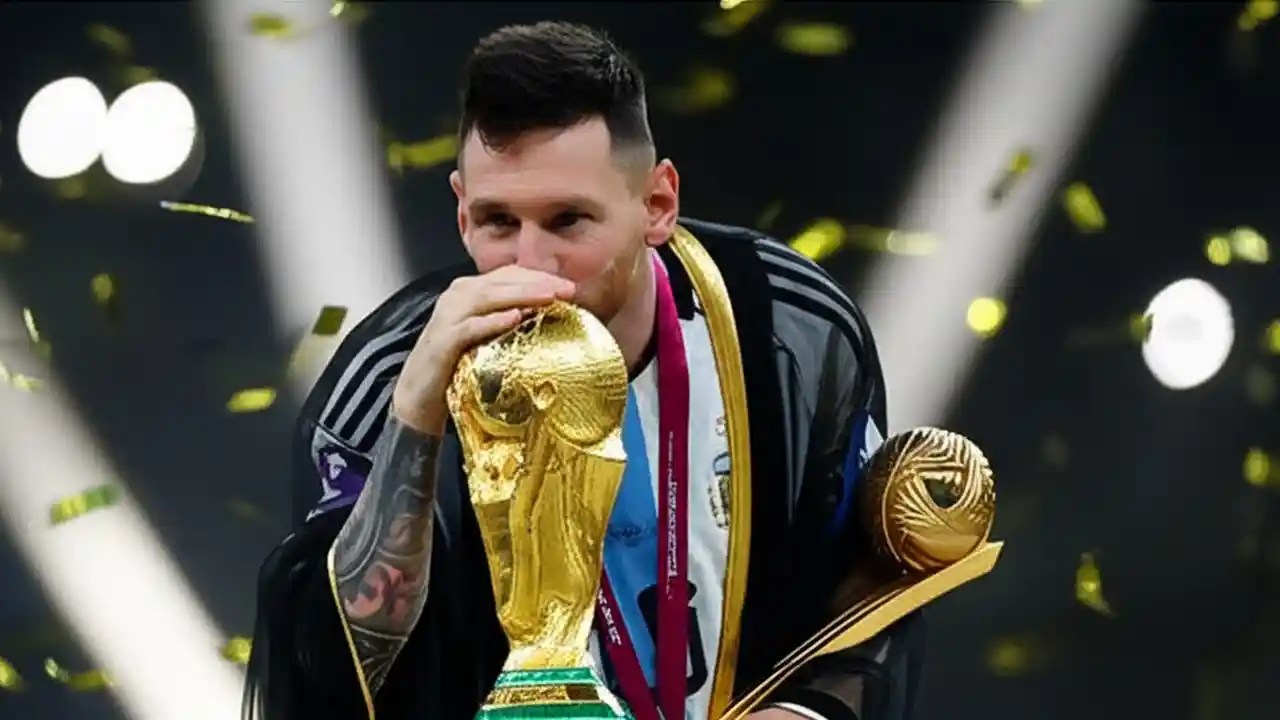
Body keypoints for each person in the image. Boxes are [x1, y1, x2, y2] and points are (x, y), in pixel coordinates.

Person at [243, 20, 923, 720]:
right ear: (461, 214)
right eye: (498, 222)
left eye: (568, 220)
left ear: (657, 205)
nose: (530, 263)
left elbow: (875, 584)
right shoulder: (385, 377)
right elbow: (330, 666)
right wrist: (416, 417)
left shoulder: (789, 330)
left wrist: (809, 715)